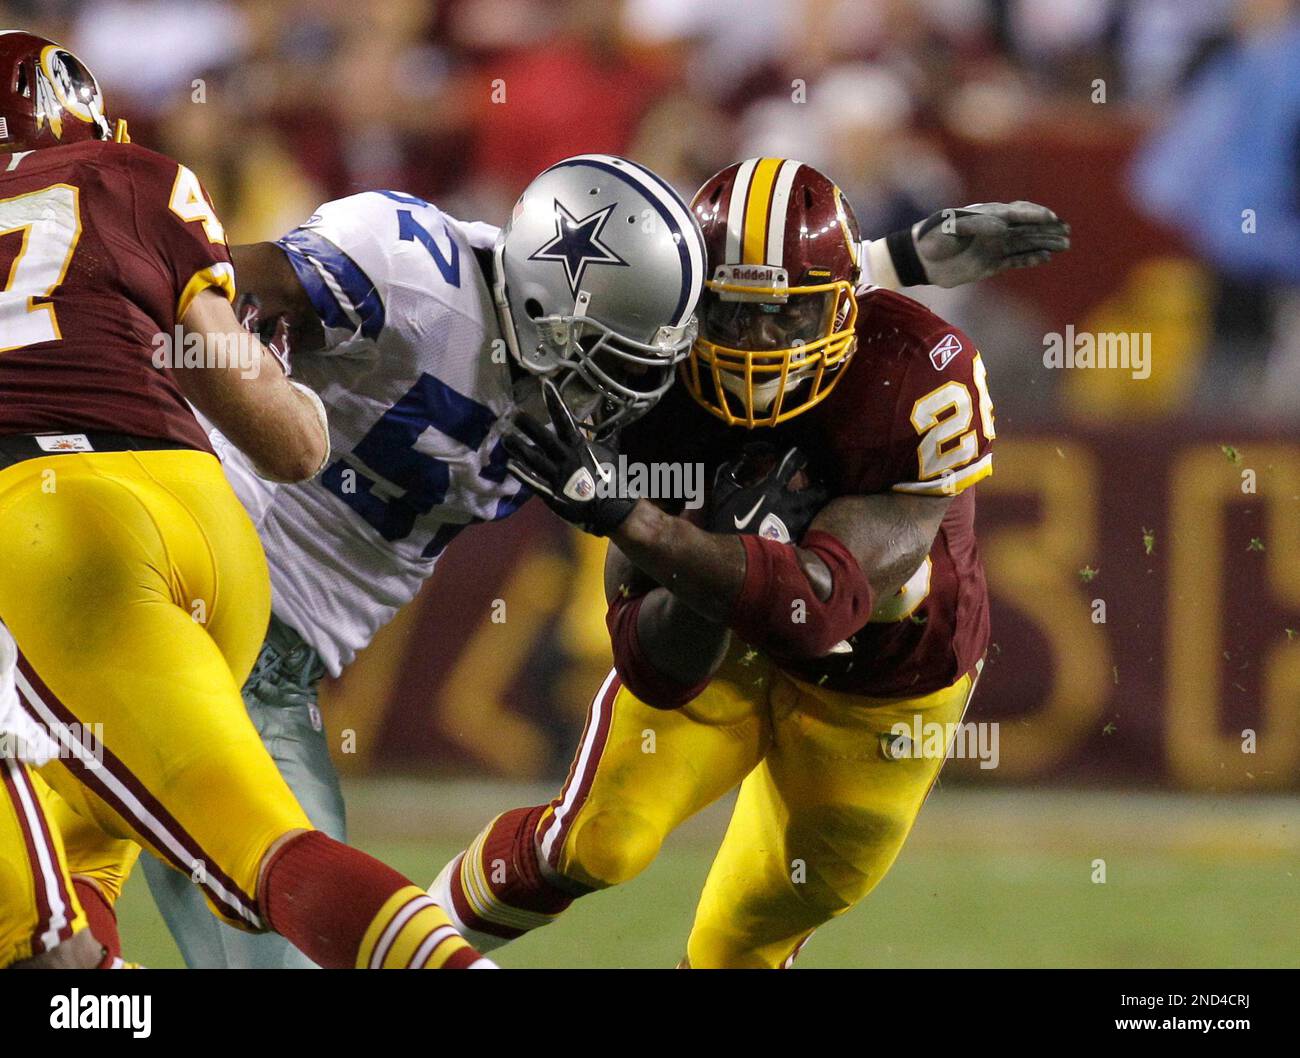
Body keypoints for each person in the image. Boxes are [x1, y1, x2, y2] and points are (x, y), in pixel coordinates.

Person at [433, 157, 1048, 968]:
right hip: (722, 656)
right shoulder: (649, 376)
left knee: (743, 939)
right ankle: (397, 950)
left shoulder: (914, 374)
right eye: (729, 313)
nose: (757, 345)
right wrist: (684, 554)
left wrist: (640, 522)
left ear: (844, 309)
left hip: (881, 684)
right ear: (689, 303)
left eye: (788, 319)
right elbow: (656, 669)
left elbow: (824, 604)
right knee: (594, 842)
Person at [0, 30, 486, 969]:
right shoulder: (131, 174)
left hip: (49, 549)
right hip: (205, 525)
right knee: (64, 903)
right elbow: (292, 443)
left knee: (253, 856)